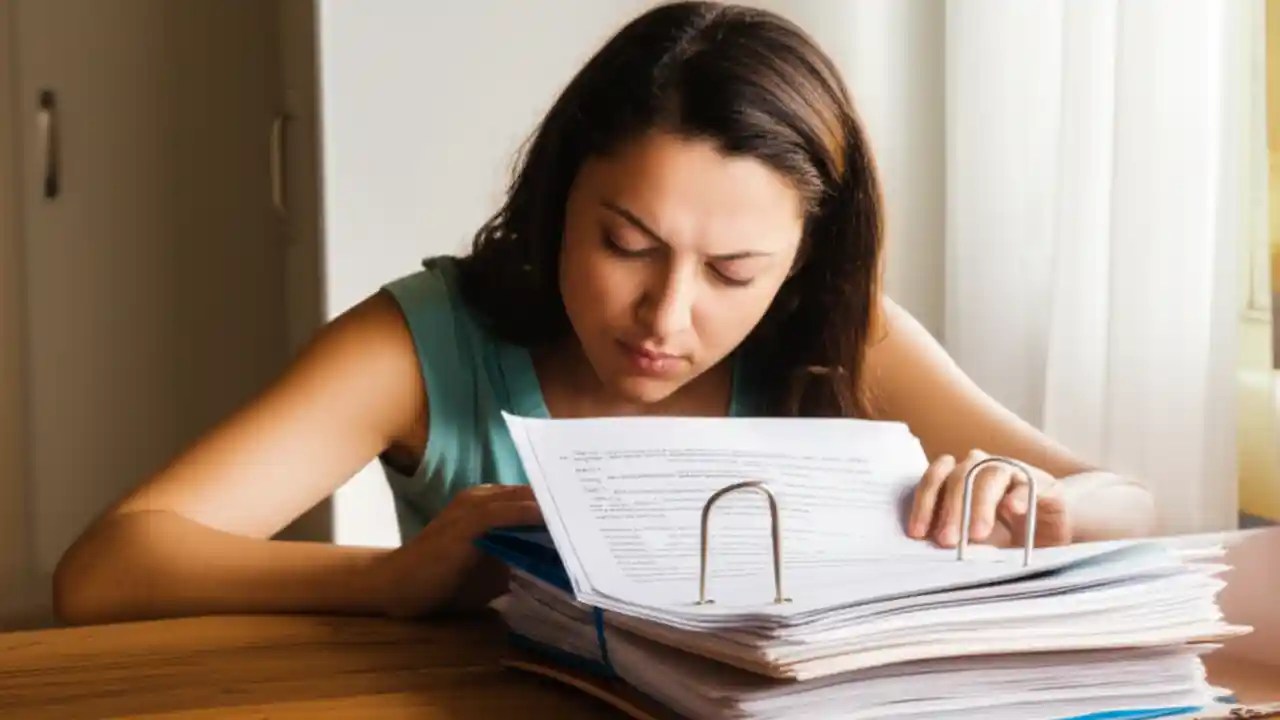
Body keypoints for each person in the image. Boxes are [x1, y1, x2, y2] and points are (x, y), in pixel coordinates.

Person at [52, 1, 1155, 626]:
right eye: (624, 245)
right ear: (554, 204)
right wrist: (391, 579)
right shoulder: (424, 340)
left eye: (732, 273)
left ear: (800, 265)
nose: (662, 318)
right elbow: (108, 568)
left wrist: (1037, 508)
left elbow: (1128, 506)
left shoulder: (837, 332)